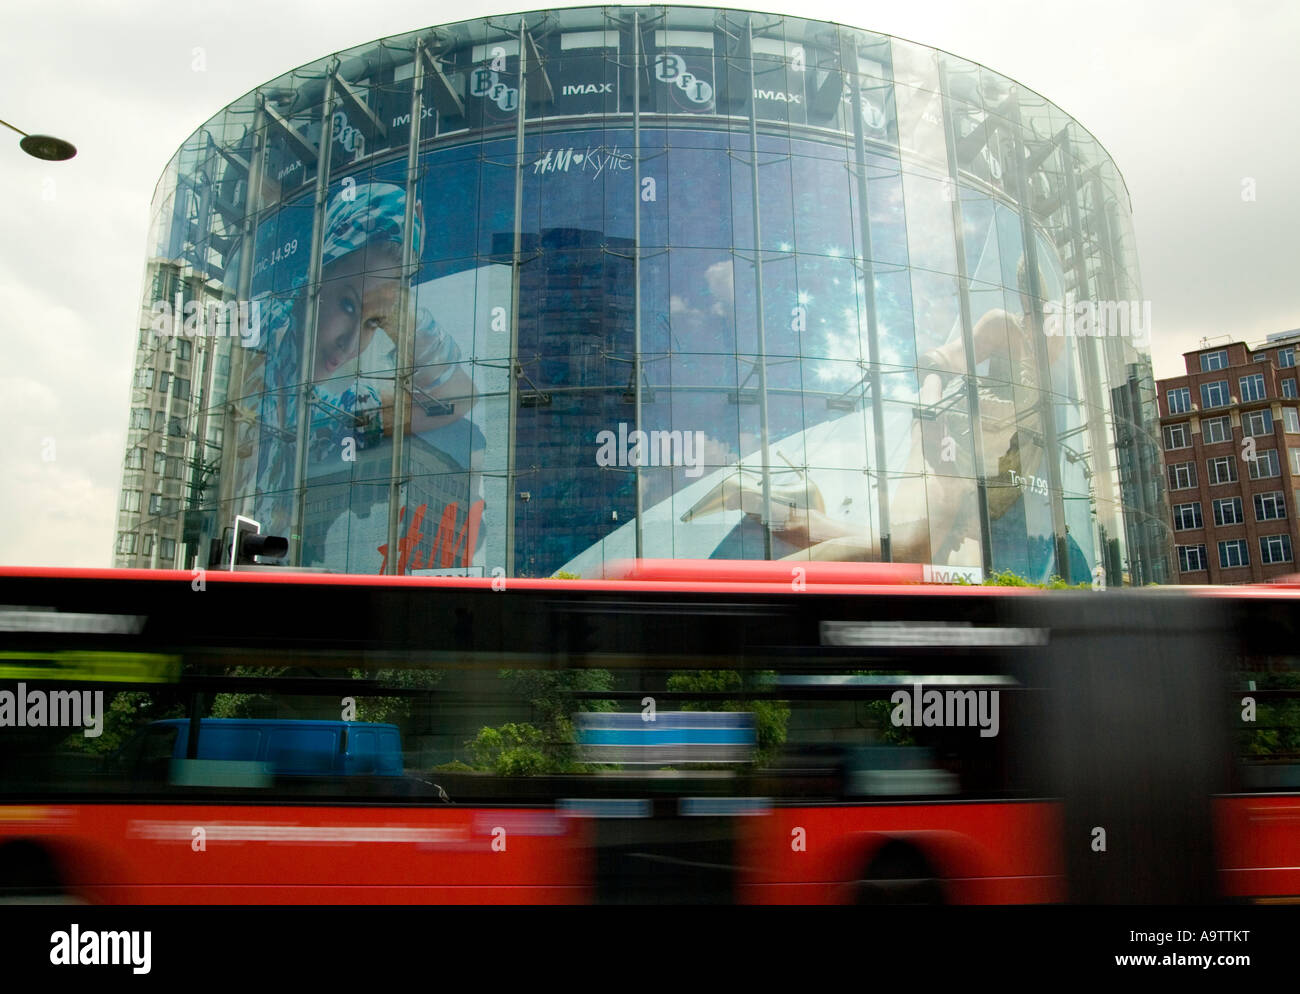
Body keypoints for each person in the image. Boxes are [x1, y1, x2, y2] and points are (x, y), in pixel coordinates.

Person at [232, 181, 472, 539]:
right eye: (347, 304)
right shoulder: (260, 325)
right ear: (317, 279)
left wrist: (396, 303)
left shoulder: (323, 412)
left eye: (373, 322)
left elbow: (458, 397)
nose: (350, 343)